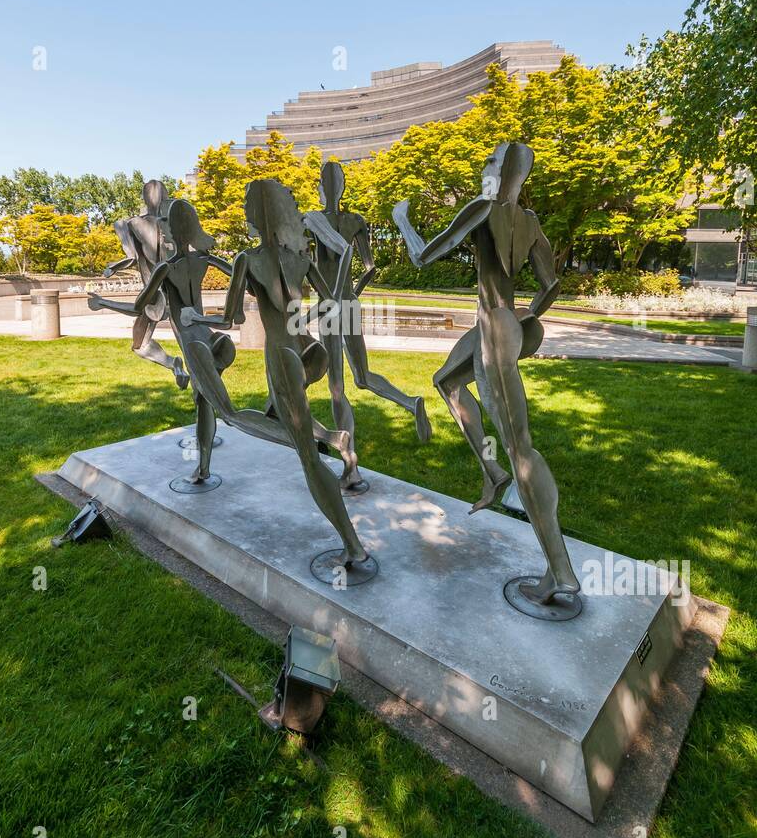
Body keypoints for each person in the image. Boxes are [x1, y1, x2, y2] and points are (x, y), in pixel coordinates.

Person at [393, 141, 579, 604]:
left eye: (489, 162)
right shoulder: (530, 222)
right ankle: (491, 469)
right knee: (447, 381)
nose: (483, 168)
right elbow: (551, 285)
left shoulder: (483, 207)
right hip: (504, 323)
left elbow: (422, 257)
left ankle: (560, 569)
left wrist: (402, 221)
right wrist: (525, 321)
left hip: (494, 331)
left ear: (502, 172)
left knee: (522, 446)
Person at [184, 178, 370, 570]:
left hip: (282, 358)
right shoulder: (298, 258)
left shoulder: (248, 261)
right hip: (309, 352)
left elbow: (230, 319)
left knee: (294, 449)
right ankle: (333, 437)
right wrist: (307, 314)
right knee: (285, 421)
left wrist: (193, 316)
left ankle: (352, 544)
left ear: (253, 215)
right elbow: (332, 304)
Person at [302, 162, 431, 491]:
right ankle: (410, 402)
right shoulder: (354, 221)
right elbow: (370, 266)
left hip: (330, 305)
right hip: (349, 302)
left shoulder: (313, 220)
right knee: (362, 376)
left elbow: (304, 264)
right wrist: (353, 293)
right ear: (343, 189)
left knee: (338, 387)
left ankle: (351, 465)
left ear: (321, 188)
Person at [90, 199, 234, 486]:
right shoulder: (205, 260)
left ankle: (312, 436)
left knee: (228, 413)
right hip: (215, 341)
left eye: (167, 224)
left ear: (173, 232)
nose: (162, 230)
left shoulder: (165, 269)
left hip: (195, 349)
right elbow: (243, 278)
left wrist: (102, 302)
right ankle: (203, 468)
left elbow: (137, 309)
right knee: (204, 403)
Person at [94, 179, 189, 390]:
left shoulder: (130, 224)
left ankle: (176, 365)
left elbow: (130, 258)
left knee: (141, 344)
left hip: (154, 293)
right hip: (172, 290)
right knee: (183, 340)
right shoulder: (171, 222)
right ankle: (182, 367)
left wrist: (112, 270)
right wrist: (114, 267)